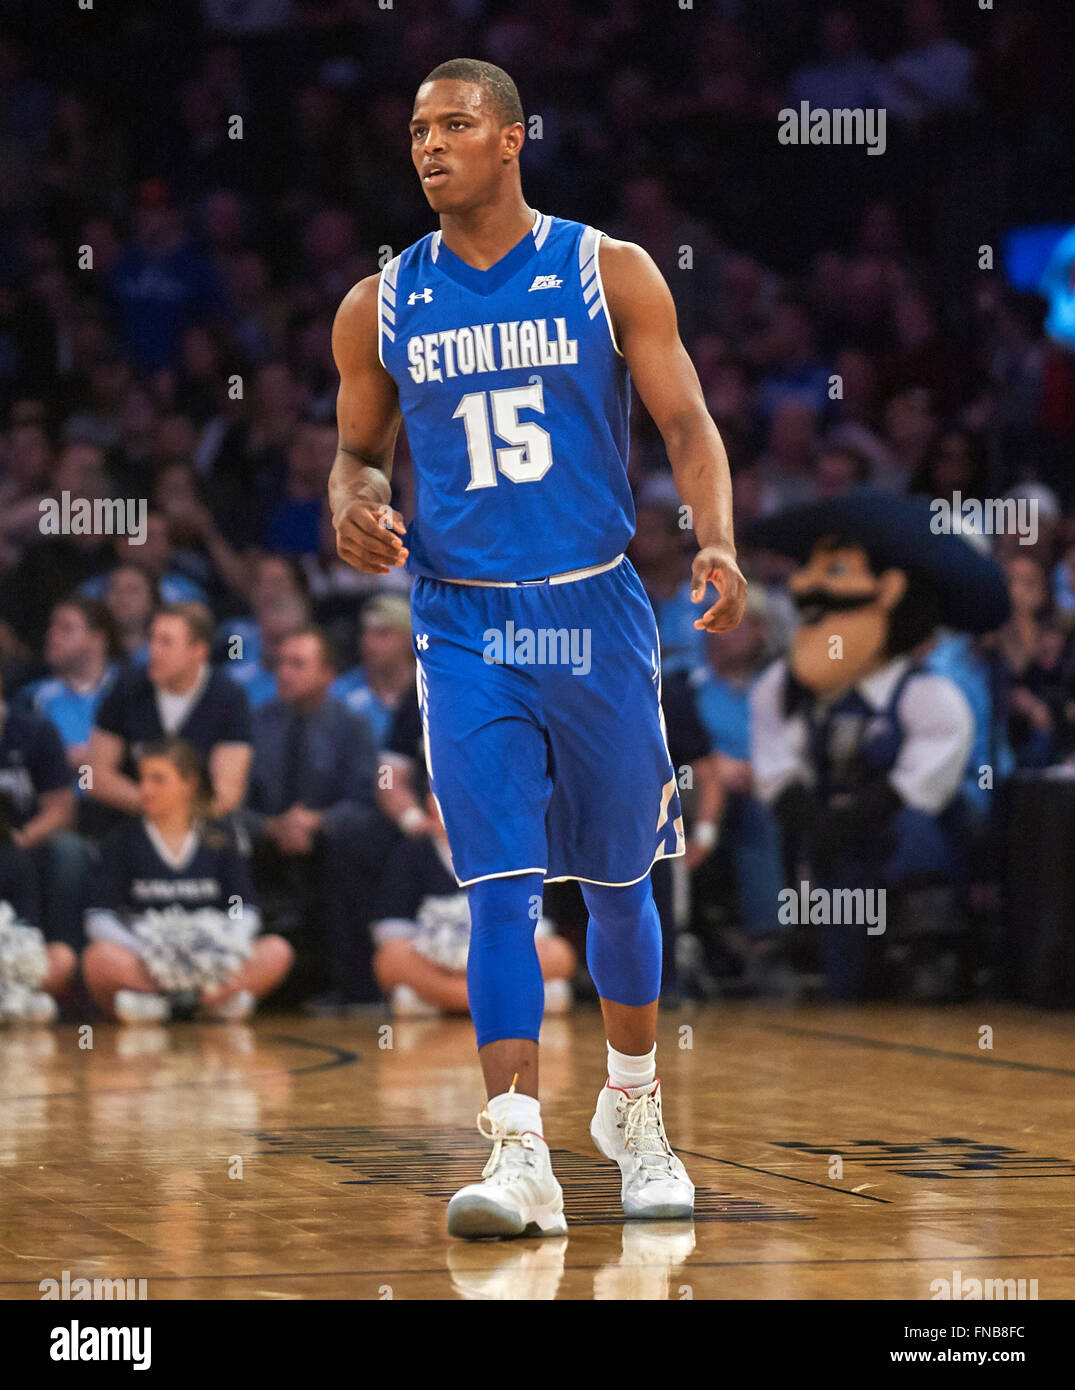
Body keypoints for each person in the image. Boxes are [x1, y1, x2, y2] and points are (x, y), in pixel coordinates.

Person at [328, 59, 746, 1239]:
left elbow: (686, 422)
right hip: (462, 620)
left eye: (456, 124)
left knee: (618, 884)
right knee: (498, 887)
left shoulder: (604, 270)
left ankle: (633, 1106)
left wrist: (714, 541)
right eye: (416, 128)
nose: (430, 144)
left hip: (595, 608)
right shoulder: (380, 303)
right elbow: (353, 452)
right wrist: (353, 502)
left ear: (513, 139)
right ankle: (518, 1149)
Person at [82, 738, 292, 1022]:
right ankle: (177, 999)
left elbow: (242, 908)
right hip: (146, 962)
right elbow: (99, 917)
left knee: (277, 951)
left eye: (158, 780)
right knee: (98, 960)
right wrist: (149, 952)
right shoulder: (123, 840)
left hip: (211, 962)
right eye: (142, 779)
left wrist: (224, 948)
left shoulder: (221, 839)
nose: (145, 789)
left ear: (189, 783)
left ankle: (205, 998)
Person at [244, 627, 395, 1009]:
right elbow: (234, 799)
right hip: (267, 840)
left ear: (328, 674)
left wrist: (316, 822)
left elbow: (365, 798)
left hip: (329, 839)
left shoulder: (351, 724)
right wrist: (272, 827)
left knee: (360, 839)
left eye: (298, 664)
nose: (284, 672)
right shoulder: (255, 723)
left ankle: (355, 989)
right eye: (280, 663)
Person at [371, 777, 576, 1019]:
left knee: (559, 953)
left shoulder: (516, 855)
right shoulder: (409, 855)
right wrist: (444, 956)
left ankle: (448, 1003)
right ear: (430, 803)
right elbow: (391, 934)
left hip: (501, 960)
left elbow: (539, 931)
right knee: (391, 957)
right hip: (435, 964)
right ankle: (494, 1002)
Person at [86, 602, 252, 822]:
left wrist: (181, 818)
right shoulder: (127, 687)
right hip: (131, 820)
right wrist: (154, 805)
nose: (154, 651)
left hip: (202, 827)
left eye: (166, 642)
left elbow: (228, 793)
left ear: (198, 651)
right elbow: (92, 776)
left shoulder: (228, 697)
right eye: (152, 639)